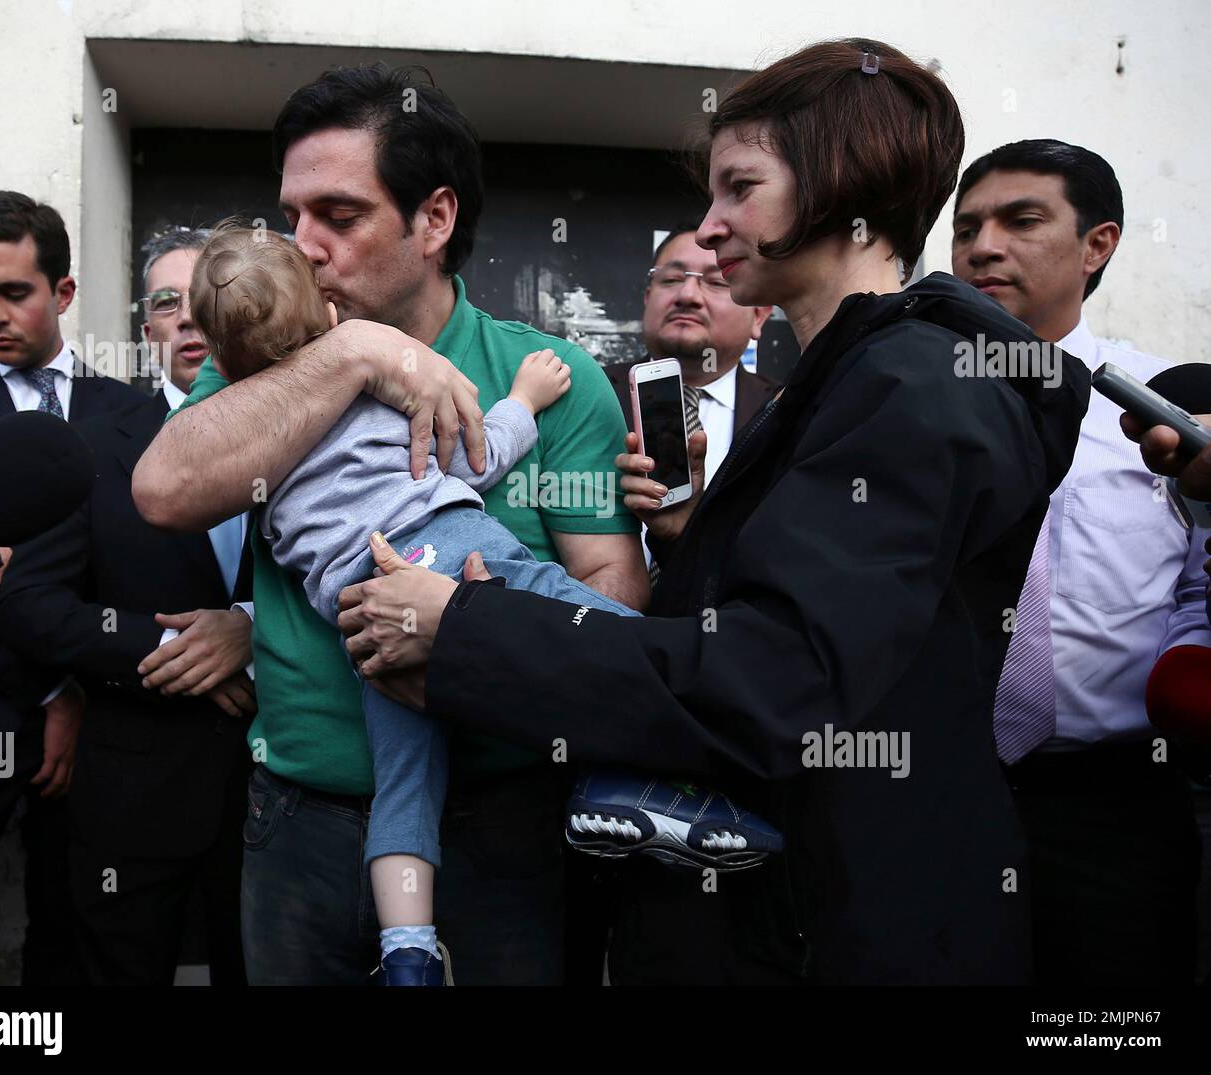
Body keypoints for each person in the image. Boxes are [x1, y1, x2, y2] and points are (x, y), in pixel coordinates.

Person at [335, 38, 1093, 985]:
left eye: (740, 186)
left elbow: (773, 680)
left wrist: (473, 632)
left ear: (841, 186)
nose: (711, 224)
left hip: (842, 926)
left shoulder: (911, 386)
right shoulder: (842, 384)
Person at [131, 65, 646, 985]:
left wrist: (494, 639)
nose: (304, 245)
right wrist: (358, 351)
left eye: (339, 215)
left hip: (500, 819)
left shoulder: (552, 373)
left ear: (434, 219)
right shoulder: (263, 363)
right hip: (298, 820)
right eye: (292, 217)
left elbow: (608, 582)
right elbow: (168, 489)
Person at [951, 139, 1208, 984]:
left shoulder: (1168, 413)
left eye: (1021, 220)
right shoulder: (912, 409)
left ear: (1098, 244)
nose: (983, 245)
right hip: (943, 790)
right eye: (968, 227)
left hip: (1119, 806)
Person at [0, 228, 256, 986]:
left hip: (279, 794)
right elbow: (29, 606)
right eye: (166, 302)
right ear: (148, 330)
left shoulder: (307, 439)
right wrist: (181, 653)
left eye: (205, 297)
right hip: (133, 798)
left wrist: (251, 633)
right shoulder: (96, 449)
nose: (186, 317)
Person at [0, 190, 140, 984]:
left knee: (78, 936)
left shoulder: (134, 413)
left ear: (64, 292)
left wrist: (84, 683)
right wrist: (50, 693)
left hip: (110, 730)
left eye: (14, 292)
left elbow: (134, 569)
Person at [604, 221, 777, 486]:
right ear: (648, 298)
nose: (687, 295)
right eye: (671, 279)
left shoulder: (786, 411)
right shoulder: (592, 394)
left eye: (717, 282)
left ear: (758, 316)